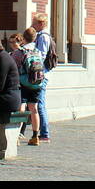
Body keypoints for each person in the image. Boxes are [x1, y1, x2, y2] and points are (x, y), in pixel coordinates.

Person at [13, 28, 44, 146]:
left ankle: (16, 136)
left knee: (21, 108)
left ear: (23, 38)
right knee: (34, 109)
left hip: (23, 82)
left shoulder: (20, 52)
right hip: (36, 83)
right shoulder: (37, 51)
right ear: (35, 38)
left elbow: (13, 66)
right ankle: (35, 136)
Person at [31, 12, 58, 143]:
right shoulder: (43, 36)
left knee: (39, 103)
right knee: (38, 103)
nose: (32, 25)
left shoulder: (42, 37)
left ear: (41, 24)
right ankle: (42, 131)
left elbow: (40, 56)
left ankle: (44, 132)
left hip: (41, 74)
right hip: (43, 73)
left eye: (34, 22)